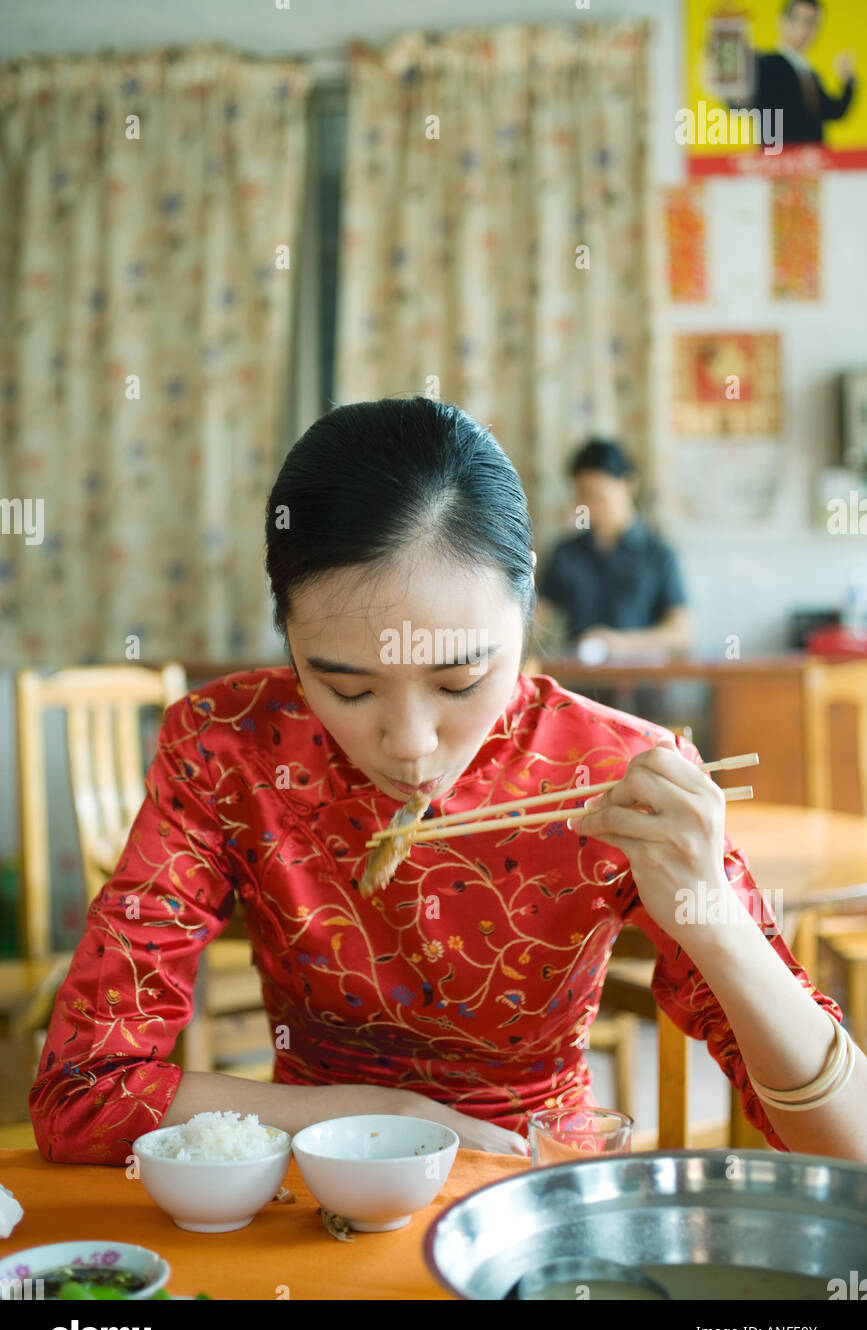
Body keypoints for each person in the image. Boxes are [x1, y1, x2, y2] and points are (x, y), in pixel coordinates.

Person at [30, 397, 866, 1165]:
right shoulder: (228, 747)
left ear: (526, 599)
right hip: (314, 1177)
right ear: (286, 627)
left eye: (459, 683)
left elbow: (845, 1147)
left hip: (529, 1183)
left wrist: (711, 918)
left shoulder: (614, 773)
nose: (410, 743)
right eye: (347, 689)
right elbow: (81, 1093)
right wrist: (383, 1114)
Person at [534, 438, 693, 661]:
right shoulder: (566, 552)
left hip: (642, 685)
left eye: (598, 496)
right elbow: (536, 621)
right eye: (582, 496)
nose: (589, 506)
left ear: (629, 484)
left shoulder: (658, 553)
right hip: (579, 685)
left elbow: (681, 633)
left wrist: (622, 643)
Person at [748, 0, 857, 148]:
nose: (807, 30)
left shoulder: (810, 75)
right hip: (781, 161)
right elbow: (744, 101)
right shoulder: (766, 64)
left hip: (812, 162)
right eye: (802, 21)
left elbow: (833, 111)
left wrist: (848, 81)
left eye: (813, 24)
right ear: (783, 22)